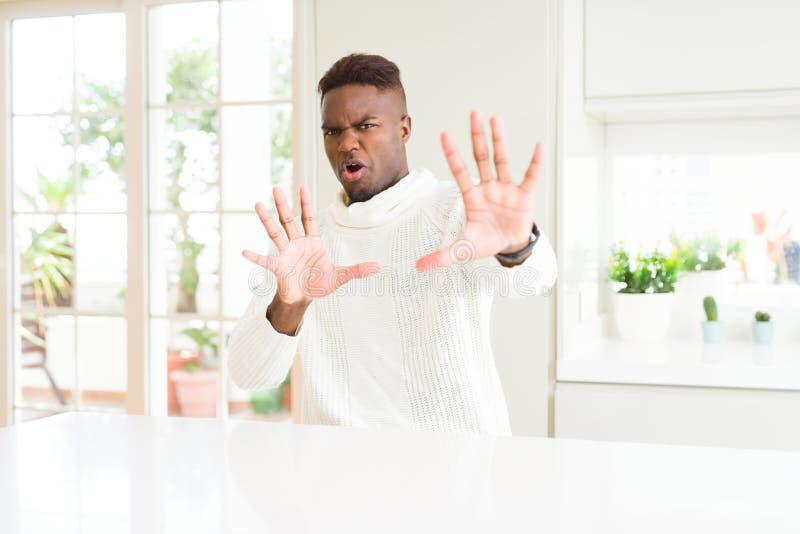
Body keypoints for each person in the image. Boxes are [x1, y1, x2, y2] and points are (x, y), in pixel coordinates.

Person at [228, 54, 557, 436]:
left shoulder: (457, 211)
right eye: (332, 131)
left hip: (455, 479)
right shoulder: (304, 244)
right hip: (339, 479)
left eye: (365, 126)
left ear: (404, 129)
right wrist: (291, 303)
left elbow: (537, 281)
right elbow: (248, 374)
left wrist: (516, 245)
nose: (346, 142)